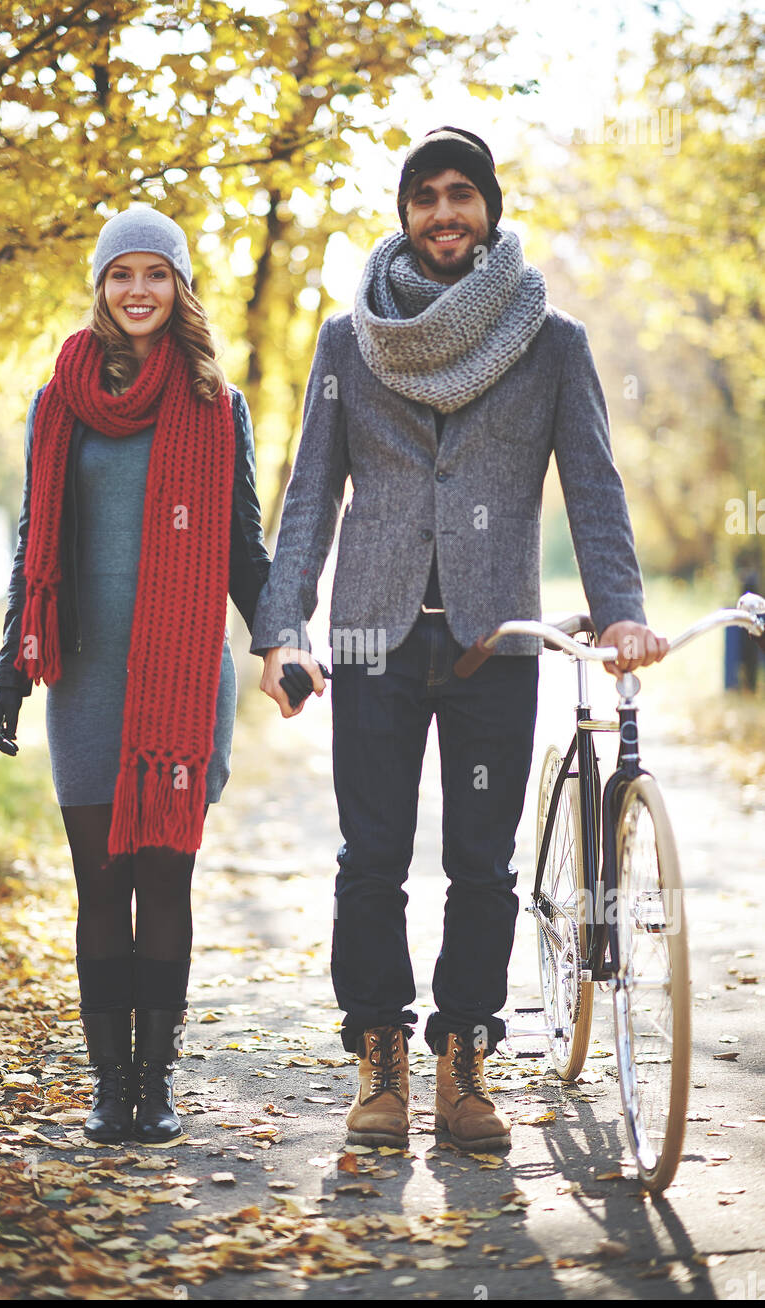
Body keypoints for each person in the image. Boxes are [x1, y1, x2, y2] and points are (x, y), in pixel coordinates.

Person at [251, 127, 667, 1153]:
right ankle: (379, 1056)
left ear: (489, 209)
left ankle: (466, 1057)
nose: (445, 214)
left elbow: (595, 487)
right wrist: (282, 627)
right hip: (371, 637)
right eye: (426, 197)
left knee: (482, 866)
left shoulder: (552, 341)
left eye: (462, 196)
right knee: (371, 859)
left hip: (498, 640)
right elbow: (310, 490)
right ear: (405, 214)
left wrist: (619, 607)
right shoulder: (351, 340)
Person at [0, 206, 270, 1145]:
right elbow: (36, 541)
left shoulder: (215, 404)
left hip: (182, 681)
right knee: (101, 890)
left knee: (168, 889)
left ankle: (157, 1085)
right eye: (121, 274)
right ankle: (109, 1086)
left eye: (155, 273)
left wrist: (283, 641)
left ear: (178, 287)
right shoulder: (58, 400)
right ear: (101, 287)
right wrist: (8, 672)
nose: (137, 290)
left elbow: (243, 552)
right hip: (87, 677)